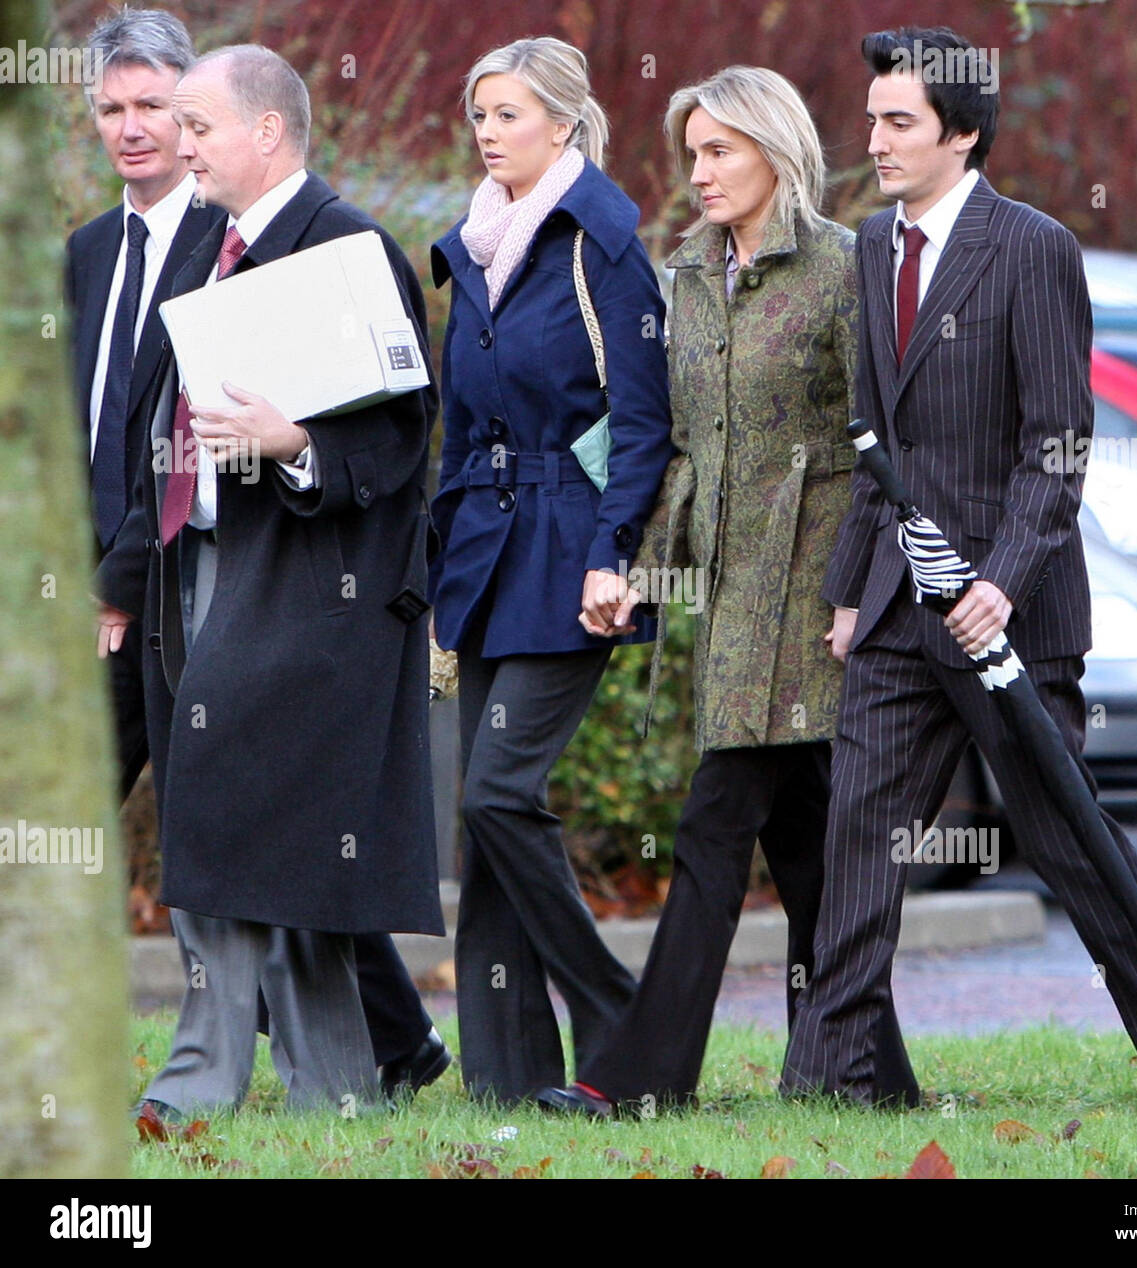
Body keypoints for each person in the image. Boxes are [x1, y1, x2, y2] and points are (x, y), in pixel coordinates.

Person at [780, 25, 1137, 1108]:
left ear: (964, 132)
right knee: (856, 833)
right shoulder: (868, 244)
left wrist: (1002, 576)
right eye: (873, 120)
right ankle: (831, 1078)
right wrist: (850, 589)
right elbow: (871, 439)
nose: (876, 140)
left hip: (1011, 614)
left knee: (1068, 842)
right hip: (899, 606)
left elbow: (1059, 445)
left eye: (898, 123)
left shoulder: (1032, 247)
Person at [95, 44, 443, 1116]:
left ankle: (202, 1085)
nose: (177, 144)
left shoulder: (348, 245)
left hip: (308, 593)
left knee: (246, 819)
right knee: (259, 836)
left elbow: (401, 437)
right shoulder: (212, 244)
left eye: (197, 125)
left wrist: (294, 440)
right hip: (195, 577)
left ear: (268, 132)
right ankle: (338, 1090)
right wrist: (128, 571)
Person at [539, 66, 893, 1118]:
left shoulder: (842, 267)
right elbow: (676, 451)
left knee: (712, 824)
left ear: (776, 151)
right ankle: (862, 1069)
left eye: (719, 150)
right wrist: (634, 569)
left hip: (821, 592)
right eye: (691, 152)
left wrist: (859, 592)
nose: (697, 172)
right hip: (733, 593)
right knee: (808, 843)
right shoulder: (684, 275)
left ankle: (638, 1076)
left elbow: (884, 446)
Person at [428, 36, 673, 1105]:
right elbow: (454, 427)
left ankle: (631, 1032)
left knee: (497, 794)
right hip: (484, 554)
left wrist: (613, 551)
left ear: (564, 125)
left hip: (578, 556)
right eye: (478, 113)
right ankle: (505, 1079)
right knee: (481, 823)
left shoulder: (602, 242)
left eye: (509, 114)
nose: (487, 132)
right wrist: (438, 571)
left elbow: (644, 423)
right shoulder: (476, 244)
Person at [67, 8, 222, 803]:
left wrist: (118, 581)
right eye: (111, 109)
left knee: (216, 829)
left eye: (150, 107)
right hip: (83, 589)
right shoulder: (88, 251)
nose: (130, 128)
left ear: (189, 110)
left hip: (179, 589)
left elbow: (196, 435)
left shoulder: (231, 242)